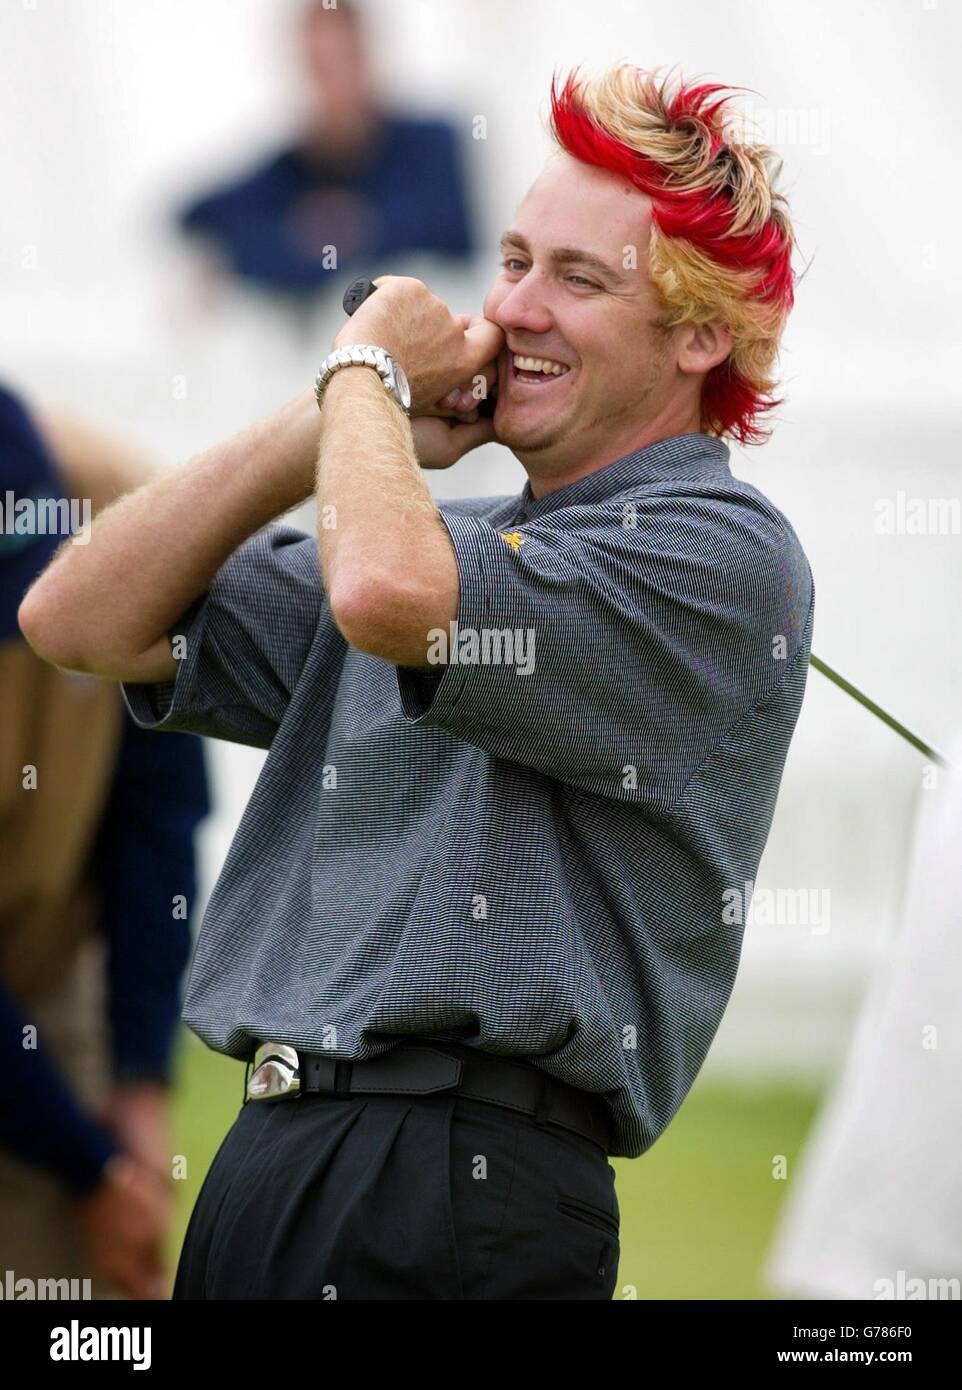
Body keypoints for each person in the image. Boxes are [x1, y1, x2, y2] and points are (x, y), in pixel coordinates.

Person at [18, 63, 814, 1300]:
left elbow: (388, 599)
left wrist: (365, 384)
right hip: (275, 1161)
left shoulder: (715, 554)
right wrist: (330, 412)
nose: (514, 308)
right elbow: (74, 614)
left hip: (459, 1181)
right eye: (512, 260)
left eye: (576, 277)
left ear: (700, 334)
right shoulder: (426, 533)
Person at [0, 383, 209, 1299]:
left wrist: (137, 1091)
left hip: (52, 958)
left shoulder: (126, 510)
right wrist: (90, 1171)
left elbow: (155, 828)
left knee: (84, 1309)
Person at [179, 0, 475, 295]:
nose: (334, 83)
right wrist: (305, 235)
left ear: (366, 58)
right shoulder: (289, 170)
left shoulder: (431, 144)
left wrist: (356, 227)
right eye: (320, 67)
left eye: (343, 61)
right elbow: (196, 215)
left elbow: (453, 234)